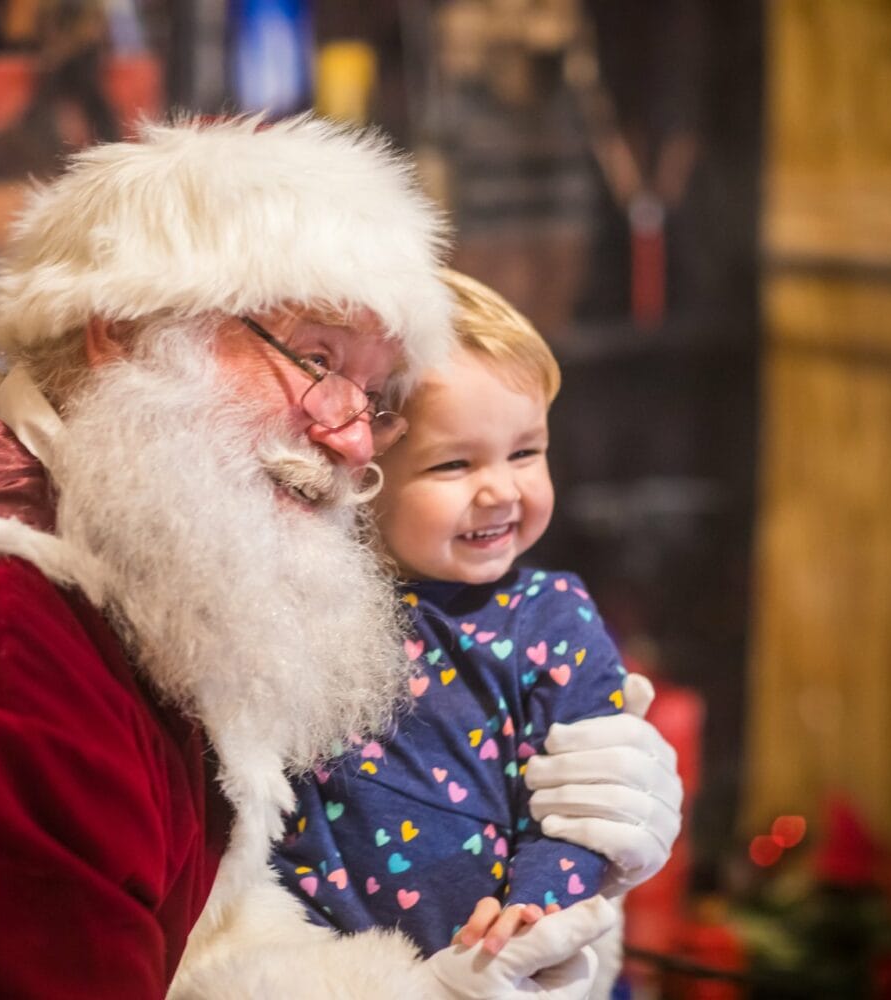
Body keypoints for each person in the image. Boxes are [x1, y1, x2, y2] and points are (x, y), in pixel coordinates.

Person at [0, 117, 677, 998]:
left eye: (375, 390)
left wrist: (520, 895)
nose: (353, 436)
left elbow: (197, 937)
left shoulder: (115, 552)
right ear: (119, 330)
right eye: (313, 359)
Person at [170, 271, 680, 999]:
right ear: (362, 468)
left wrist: (531, 914)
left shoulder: (551, 617)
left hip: (508, 964)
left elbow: (581, 809)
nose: (501, 490)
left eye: (526, 452)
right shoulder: (295, 607)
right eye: (454, 463)